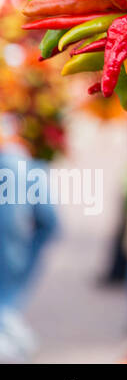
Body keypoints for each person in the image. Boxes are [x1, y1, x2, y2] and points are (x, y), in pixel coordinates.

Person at [0, 132, 58, 361]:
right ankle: (5, 312)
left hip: (24, 152)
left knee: (49, 224)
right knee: (10, 237)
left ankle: (7, 308)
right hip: (10, 155)